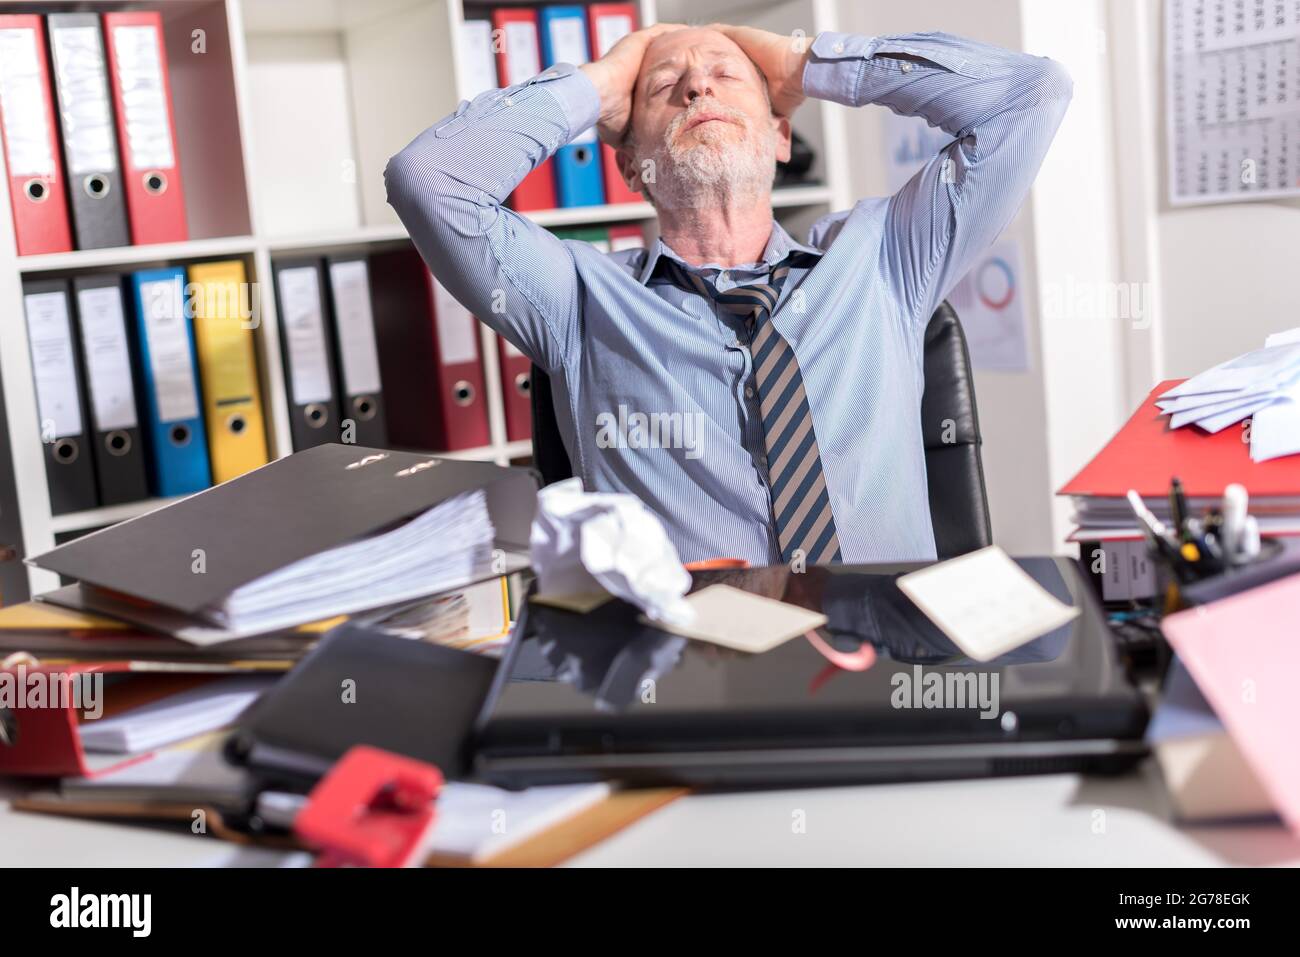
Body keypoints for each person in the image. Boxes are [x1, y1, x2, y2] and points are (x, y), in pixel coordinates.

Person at [385, 23, 1072, 566]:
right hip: (692, 696)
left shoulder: (885, 256)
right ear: (629, 165)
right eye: (664, 87)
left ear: (780, 135)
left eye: (726, 76)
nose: (697, 91)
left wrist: (804, 65)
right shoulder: (577, 299)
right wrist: (602, 80)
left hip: (890, 681)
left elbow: (1031, 94)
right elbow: (428, 179)